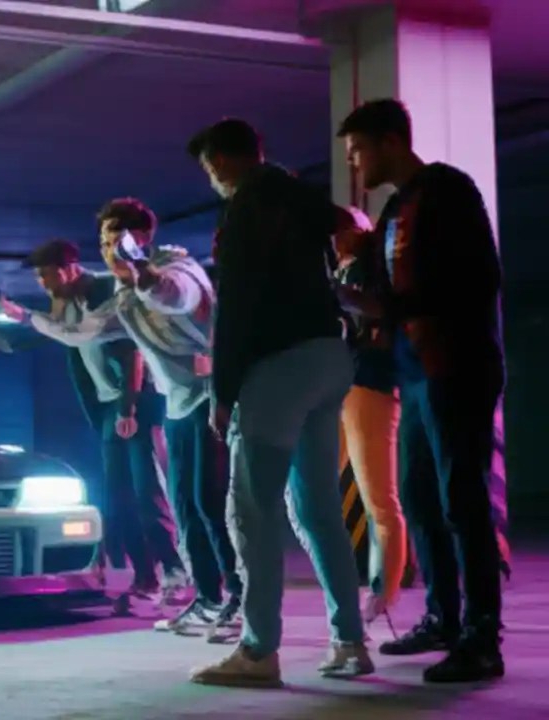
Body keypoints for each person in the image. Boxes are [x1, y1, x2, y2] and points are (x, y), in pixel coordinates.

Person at [0, 199, 242, 639]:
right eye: (106, 241)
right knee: (186, 507)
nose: (111, 249)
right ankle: (207, 599)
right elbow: (81, 332)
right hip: (177, 403)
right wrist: (25, 317)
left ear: (142, 240)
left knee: (210, 506)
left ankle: (237, 598)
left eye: (119, 240)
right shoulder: (123, 296)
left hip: (215, 397)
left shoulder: (176, 268)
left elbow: (173, 294)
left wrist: (144, 273)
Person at [184, 118, 370, 688]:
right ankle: (350, 642)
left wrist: (223, 391)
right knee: (317, 510)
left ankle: (258, 649)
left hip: (277, 369)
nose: (213, 179)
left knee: (253, 510)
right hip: (328, 358)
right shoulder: (302, 195)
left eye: (212, 169)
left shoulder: (245, 208)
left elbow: (236, 305)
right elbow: (351, 227)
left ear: (223, 161)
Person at [337, 98, 505, 682]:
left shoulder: (446, 191)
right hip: (413, 372)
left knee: (463, 500)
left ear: (389, 141)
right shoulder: (392, 212)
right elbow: (386, 293)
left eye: (358, 151)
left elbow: (481, 276)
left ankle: (483, 639)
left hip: (455, 366)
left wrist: (393, 305)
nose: (355, 165)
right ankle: (444, 617)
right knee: (423, 498)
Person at [0, 239, 187, 614]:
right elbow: (26, 341)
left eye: (46, 275)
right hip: (105, 408)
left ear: (68, 269)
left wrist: (128, 406)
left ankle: (176, 574)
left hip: (134, 404)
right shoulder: (64, 303)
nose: (43, 284)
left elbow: (129, 348)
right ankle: (146, 579)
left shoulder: (105, 289)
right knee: (118, 497)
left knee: (146, 489)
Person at [328, 205, 408, 622]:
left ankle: (385, 590)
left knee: (379, 494)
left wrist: (338, 295)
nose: (335, 238)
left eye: (343, 229)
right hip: (345, 386)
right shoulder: (345, 270)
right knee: (336, 489)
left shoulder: (371, 268)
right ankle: (372, 587)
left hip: (369, 384)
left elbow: (380, 312)